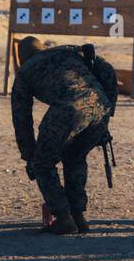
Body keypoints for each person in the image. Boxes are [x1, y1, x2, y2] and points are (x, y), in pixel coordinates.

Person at [11, 38, 118, 234]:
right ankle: (78, 216)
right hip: (100, 108)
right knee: (75, 157)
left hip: (69, 111)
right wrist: (109, 109)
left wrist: (30, 155)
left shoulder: (25, 72)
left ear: (21, 59)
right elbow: (108, 70)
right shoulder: (69, 51)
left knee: (43, 164)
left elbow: (21, 118)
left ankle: (63, 218)